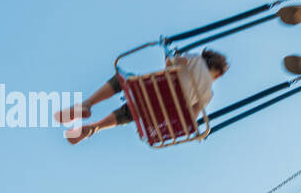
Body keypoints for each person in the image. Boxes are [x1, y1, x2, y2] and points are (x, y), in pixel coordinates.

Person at [56, 49, 229, 145]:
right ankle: (95, 127)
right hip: (158, 112)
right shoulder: (208, 95)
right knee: (134, 113)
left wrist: (170, 57)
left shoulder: (194, 58)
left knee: (124, 81)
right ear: (218, 75)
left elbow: (172, 64)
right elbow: (191, 118)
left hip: (150, 90)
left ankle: (87, 104)